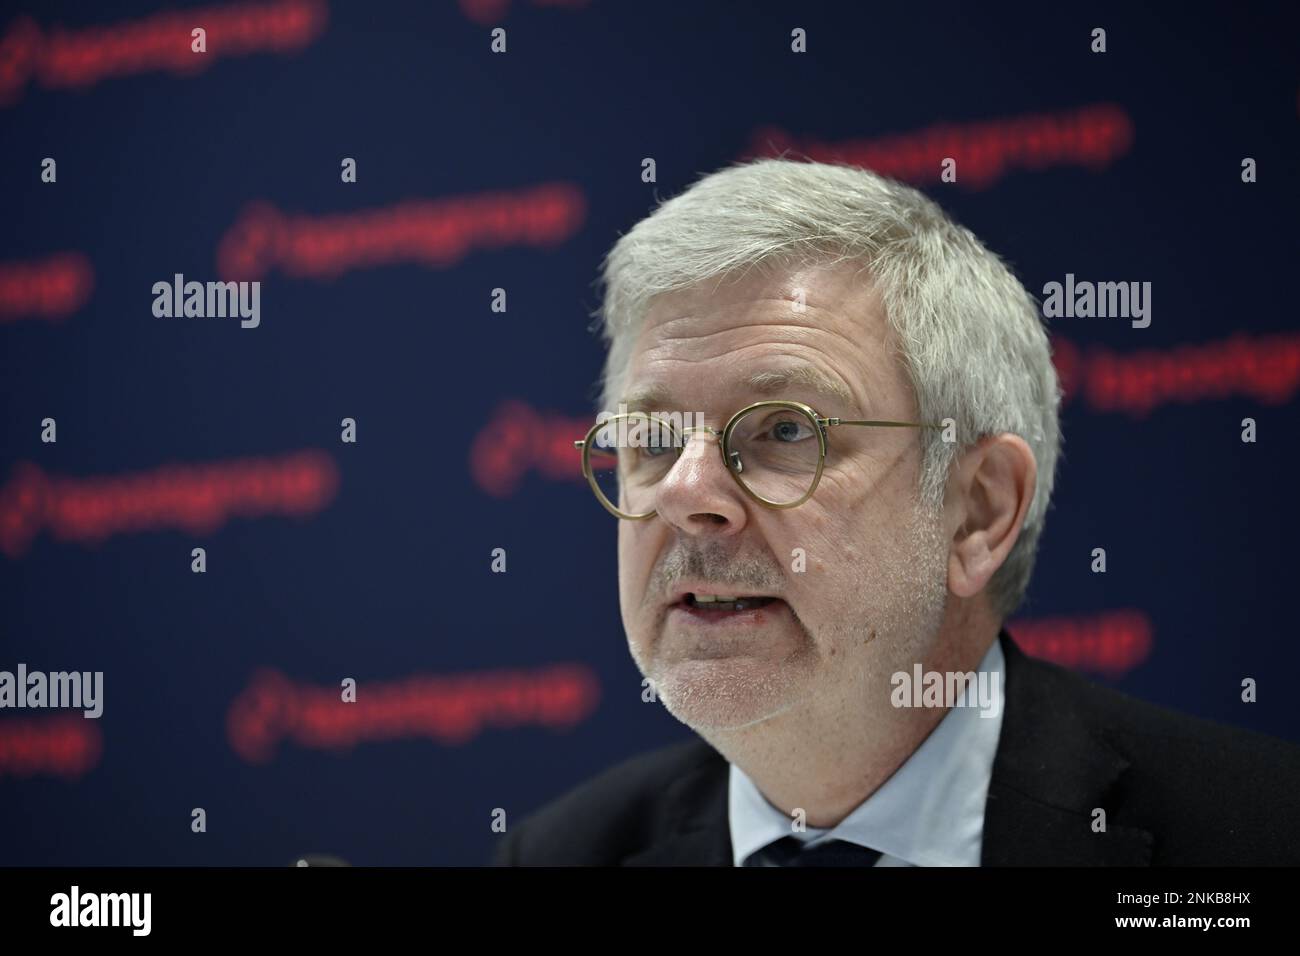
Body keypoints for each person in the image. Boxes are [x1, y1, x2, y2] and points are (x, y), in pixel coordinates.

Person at [493, 158, 1300, 866]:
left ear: (978, 511)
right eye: (655, 439)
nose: (685, 493)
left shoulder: (1256, 834)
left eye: (783, 430)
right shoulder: (562, 853)